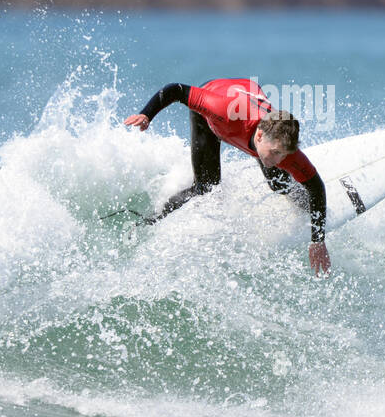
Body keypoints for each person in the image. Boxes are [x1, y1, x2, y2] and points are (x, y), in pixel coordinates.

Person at [124, 78, 331, 275]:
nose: (280, 159)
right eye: (276, 153)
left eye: (284, 154)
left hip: (250, 97)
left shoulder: (282, 148)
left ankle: (304, 206)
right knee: (205, 187)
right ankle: (153, 219)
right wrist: (146, 115)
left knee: (280, 183)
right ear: (259, 136)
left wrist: (317, 240)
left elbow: (316, 186)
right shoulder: (219, 108)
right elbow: (176, 90)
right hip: (216, 108)